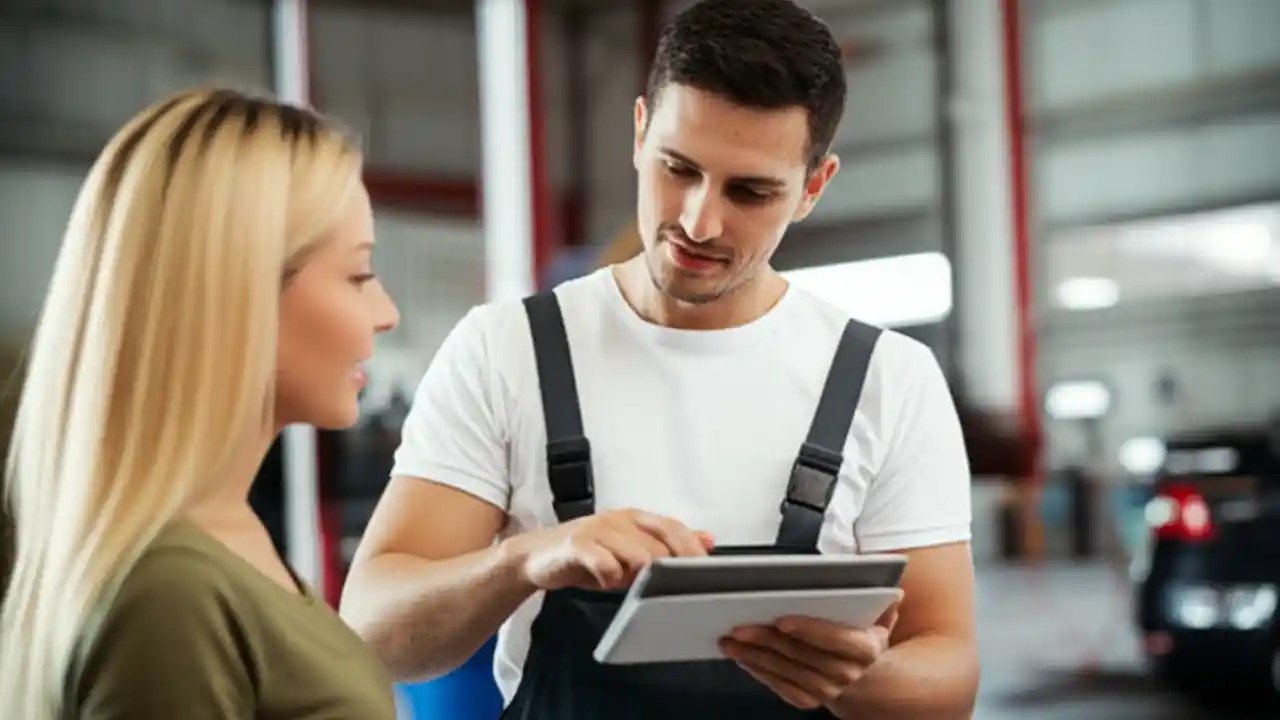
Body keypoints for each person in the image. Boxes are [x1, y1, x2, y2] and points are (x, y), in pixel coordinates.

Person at [341, 0, 979, 717]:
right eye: (679, 168)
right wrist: (526, 559)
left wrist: (855, 679)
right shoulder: (506, 350)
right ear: (641, 131)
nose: (699, 221)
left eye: (751, 191)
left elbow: (948, 669)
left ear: (813, 187)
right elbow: (372, 634)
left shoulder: (887, 379)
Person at [0, 87, 402, 720]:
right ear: (239, 290)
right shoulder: (173, 594)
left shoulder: (223, 546)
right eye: (358, 275)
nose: (386, 313)